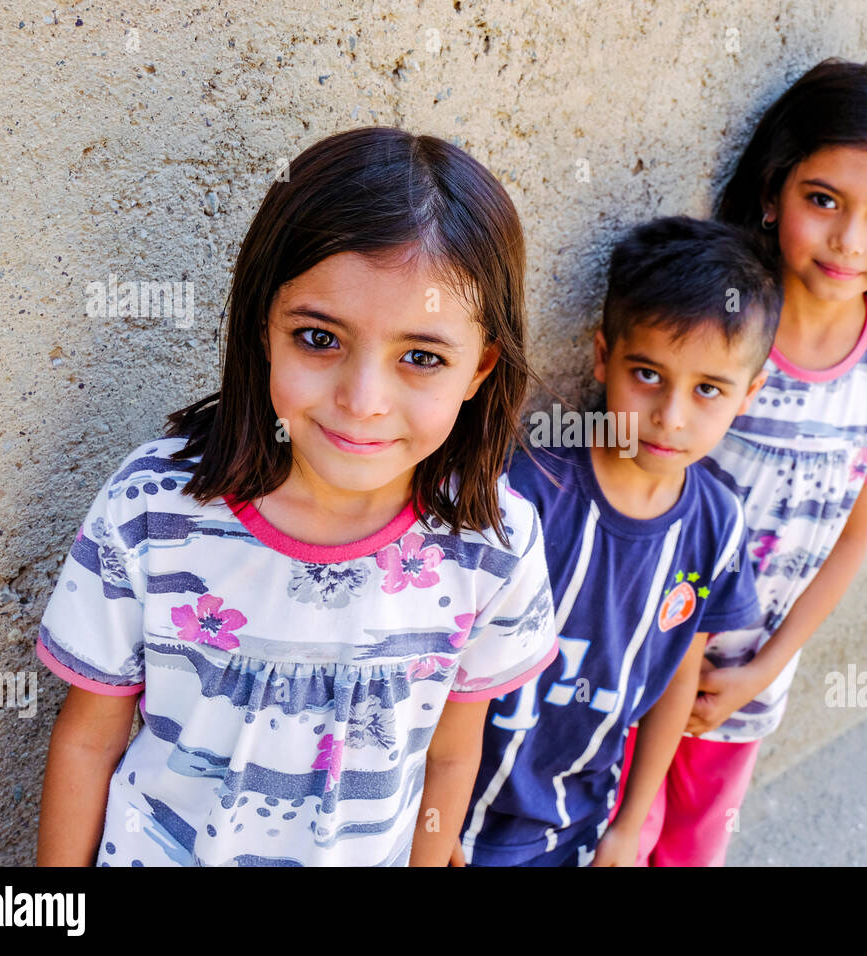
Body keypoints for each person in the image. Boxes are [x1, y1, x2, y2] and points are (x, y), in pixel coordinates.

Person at [33, 126, 559, 867]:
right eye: (319, 339)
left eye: (421, 357)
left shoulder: (493, 547)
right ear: (262, 329)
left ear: (479, 372)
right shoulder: (152, 511)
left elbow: (451, 752)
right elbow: (89, 738)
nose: (363, 399)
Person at [623, 57, 867, 865]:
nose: (849, 239)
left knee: (693, 847)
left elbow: (851, 541)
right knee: (614, 835)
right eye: (823, 200)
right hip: (646, 656)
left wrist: (762, 669)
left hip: (742, 681)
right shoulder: (717, 333)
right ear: (773, 192)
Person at [455, 216, 782, 866]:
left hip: (576, 824)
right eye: (648, 375)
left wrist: (628, 827)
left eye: (708, 389)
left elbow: (677, 680)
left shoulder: (714, 525)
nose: (671, 416)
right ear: (604, 357)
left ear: (749, 394)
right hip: (463, 820)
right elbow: (452, 659)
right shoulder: (531, 489)